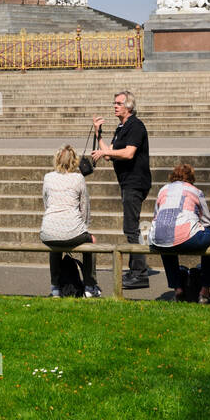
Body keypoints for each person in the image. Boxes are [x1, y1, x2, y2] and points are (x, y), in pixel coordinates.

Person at [92, 89, 152, 290]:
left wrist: (105, 151)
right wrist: (98, 134)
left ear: (128, 106)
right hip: (126, 182)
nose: (114, 106)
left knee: (131, 227)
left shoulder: (136, 126)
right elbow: (108, 155)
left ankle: (139, 274)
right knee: (130, 227)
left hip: (135, 182)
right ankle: (136, 270)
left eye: (118, 103)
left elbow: (128, 153)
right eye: (114, 103)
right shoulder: (121, 127)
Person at [149, 163, 210, 303]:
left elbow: (156, 214)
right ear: (191, 178)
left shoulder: (163, 190)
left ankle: (178, 288)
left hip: (158, 237)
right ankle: (205, 291)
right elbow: (207, 221)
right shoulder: (196, 191)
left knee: (166, 243)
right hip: (187, 237)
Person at [40, 145, 99, 298]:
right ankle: (90, 285)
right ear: (75, 161)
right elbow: (84, 207)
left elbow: (46, 203)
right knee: (91, 242)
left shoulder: (48, 177)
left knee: (54, 242)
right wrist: (84, 227)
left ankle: (55, 286)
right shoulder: (78, 178)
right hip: (73, 229)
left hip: (49, 228)